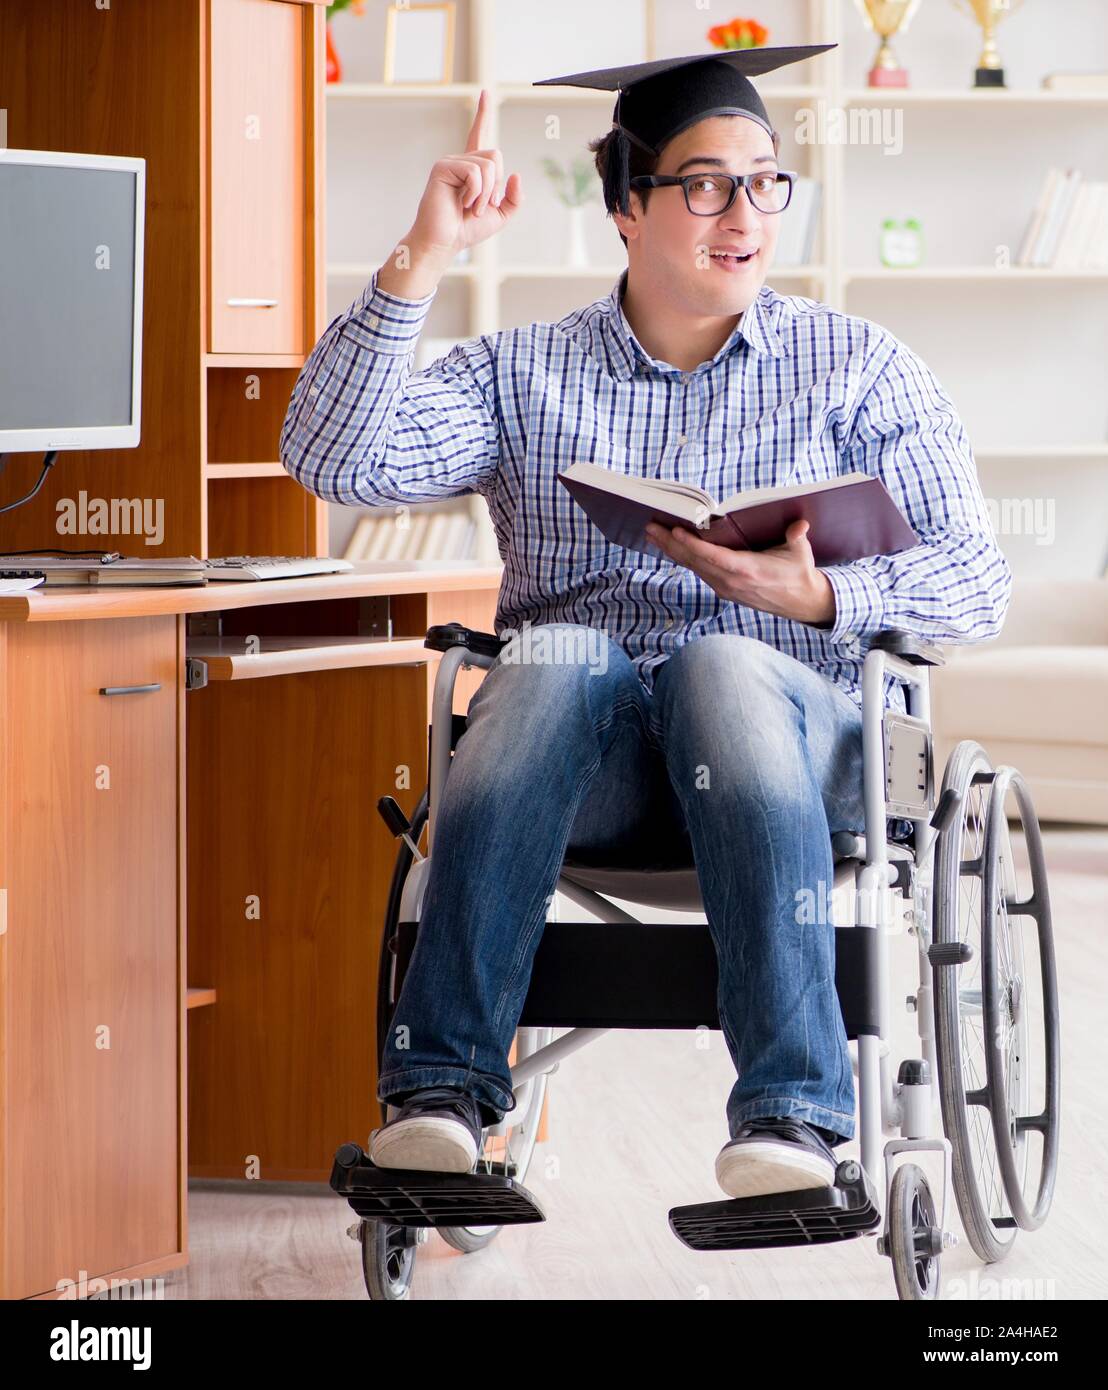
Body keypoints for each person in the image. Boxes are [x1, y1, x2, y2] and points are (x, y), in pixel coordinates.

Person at [279, 46, 1011, 1200]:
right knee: (558, 651)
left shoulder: (862, 371)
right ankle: (442, 1098)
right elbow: (333, 459)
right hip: (592, 766)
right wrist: (423, 257)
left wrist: (812, 596)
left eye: (766, 181)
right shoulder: (521, 375)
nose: (745, 214)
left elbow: (977, 581)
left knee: (725, 659)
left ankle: (792, 1117)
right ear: (625, 203)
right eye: (705, 183)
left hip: (797, 747)